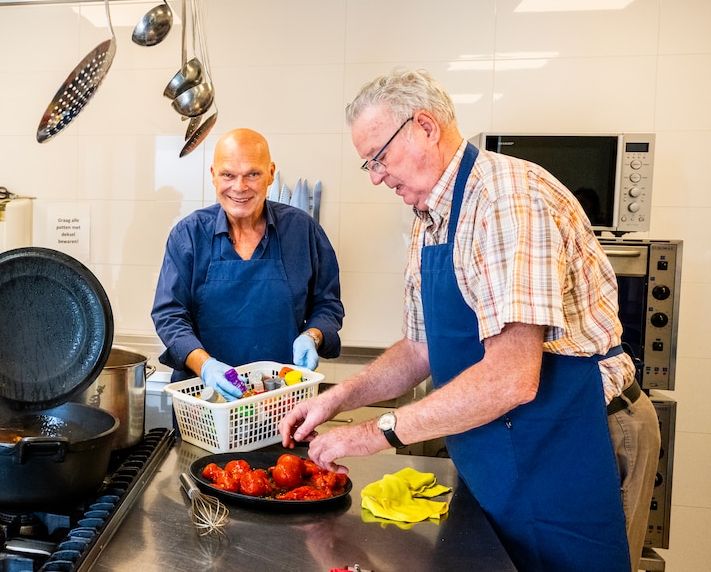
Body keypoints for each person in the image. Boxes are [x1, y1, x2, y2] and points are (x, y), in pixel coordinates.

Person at [279, 68, 660, 572]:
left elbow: (511, 376)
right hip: (502, 445)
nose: (375, 176)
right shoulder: (429, 219)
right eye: (366, 164)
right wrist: (337, 399)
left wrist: (373, 434)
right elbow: (420, 350)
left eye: (379, 157)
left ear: (425, 127)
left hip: (577, 439)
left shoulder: (506, 200)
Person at [152, 127, 345, 399]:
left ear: (270, 173)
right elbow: (169, 316)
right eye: (228, 175)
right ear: (213, 175)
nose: (239, 187)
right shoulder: (189, 235)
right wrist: (205, 366)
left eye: (252, 174)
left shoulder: (303, 231)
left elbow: (327, 304)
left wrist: (312, 336)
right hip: (205, 401)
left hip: (283, 400)